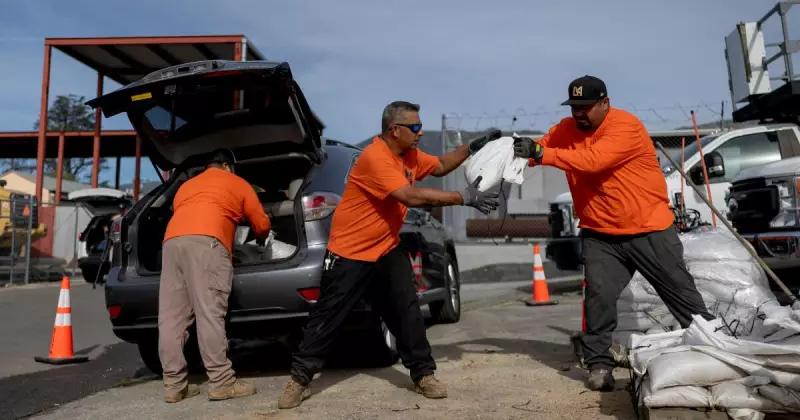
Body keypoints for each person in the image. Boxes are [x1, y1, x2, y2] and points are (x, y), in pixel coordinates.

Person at [277, 100, 502, 409]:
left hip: (385, 247)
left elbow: (439, 165)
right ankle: (299, 380)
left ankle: (423, 374)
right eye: (415, 127)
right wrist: (462, 197)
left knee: (407, 311)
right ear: (395, 130)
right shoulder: (375, 158)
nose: (420, 132)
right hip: (350, 252)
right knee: (327, 318)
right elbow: (409, 196)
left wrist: (472, 147)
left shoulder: (409, 155)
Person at [512, 76, 715, 391]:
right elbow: (537, 149)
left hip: (648, 229)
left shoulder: (625, 126)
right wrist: (503, 151)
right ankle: (599, 365)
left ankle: (716, 349)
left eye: (586, 107)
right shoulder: (566, 129)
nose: (579, 113)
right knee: (598, 298)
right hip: (601, 233)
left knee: (681, 294)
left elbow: (593, 161)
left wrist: (541, 154)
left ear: (605, 103)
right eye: (575, 107)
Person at [158, 148, 272, 403]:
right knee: (209, 313)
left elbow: (186, 212)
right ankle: (221, 383)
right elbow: (262, 224)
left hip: (172, 244)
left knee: (171, 319)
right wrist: (262, 236)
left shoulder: (186, 187)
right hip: (207, 244)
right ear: (227, 166)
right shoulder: (237, 182)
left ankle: (174, 386)